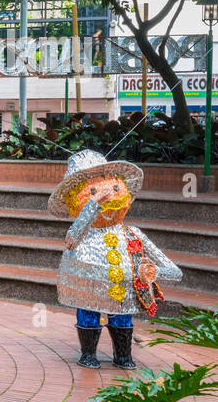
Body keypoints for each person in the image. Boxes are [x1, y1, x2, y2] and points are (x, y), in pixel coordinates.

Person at [48, 149, 182, 369]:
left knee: (122, 317)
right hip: (86, 287)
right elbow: (71, 239)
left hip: (124, 293)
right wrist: (93, 205)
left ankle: (123, 355)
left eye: (115, 188)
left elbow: (175, 272)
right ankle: (88, 353)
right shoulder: (82, 232)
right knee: (88, 313)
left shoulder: (134, 234)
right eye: (92, 191)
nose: (108, 197)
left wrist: (154, 272)